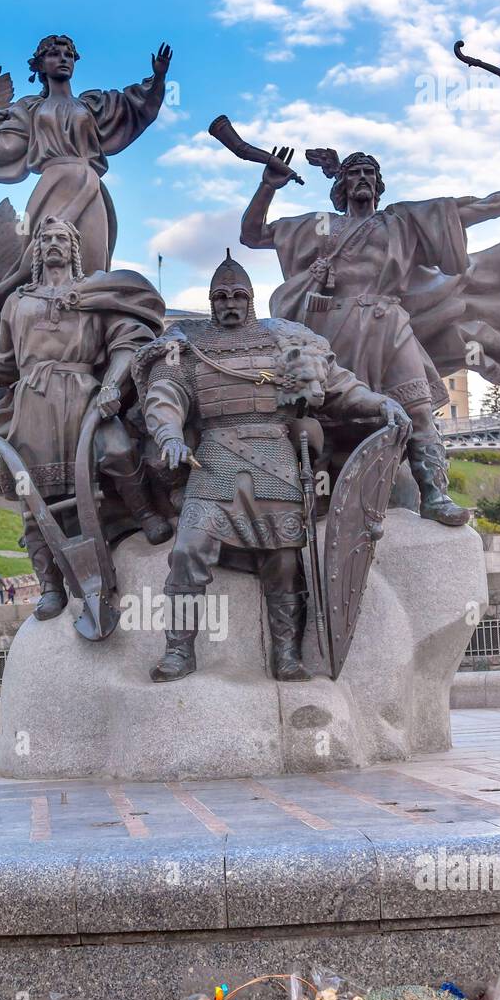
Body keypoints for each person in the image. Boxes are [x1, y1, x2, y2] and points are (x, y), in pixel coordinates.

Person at [240, 148, 500, 527]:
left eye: (368, 172)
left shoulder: (403, 222)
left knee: (419, 409)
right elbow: (252, 235)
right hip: (333, 331)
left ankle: (434, 495)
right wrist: (267, 186)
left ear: (378, 185)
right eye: (353, 173)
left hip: (389, 325)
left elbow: (475, 209)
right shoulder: (321, 226)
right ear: (341, 185)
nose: (362, 177)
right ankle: (313, 501)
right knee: (324, 419)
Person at [134, 251, 410, 683]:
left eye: (238, 295)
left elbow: (337, 386)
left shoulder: (284, 341)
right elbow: (165, 395)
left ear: (251, 299)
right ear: (210, 301)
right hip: (216, 461)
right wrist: (168, 434)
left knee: (284, 563)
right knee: (187, 551)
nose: (229, 303)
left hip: (277, 462)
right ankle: (178, 650)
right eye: (221, 296)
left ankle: (286, 654)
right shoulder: (187, 347)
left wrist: (379, 402)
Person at [0, 217, 171, 620]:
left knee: (116, 449)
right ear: (38, 250)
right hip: (34, 403)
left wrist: (112, 385)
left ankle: (143, 511)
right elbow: (1, 361)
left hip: (83, 396)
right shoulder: (18, 302)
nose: (55, 244)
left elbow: (128, 341)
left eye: (63, 238)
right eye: (46, 239)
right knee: (33, 494)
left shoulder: (94, 294)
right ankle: (50, 587)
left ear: (74, 248)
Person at [0, 33, 172, 306]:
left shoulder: (92, 104)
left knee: (91, 269)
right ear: (40, 66)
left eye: (68, 55)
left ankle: (91, 333)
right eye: (54, 54)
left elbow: (136, 108)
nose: (63, 59)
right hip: (51, 185)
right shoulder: (30, 109)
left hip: (89, 186)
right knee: (39, 262)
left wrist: (158, 79)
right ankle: (26, 322)